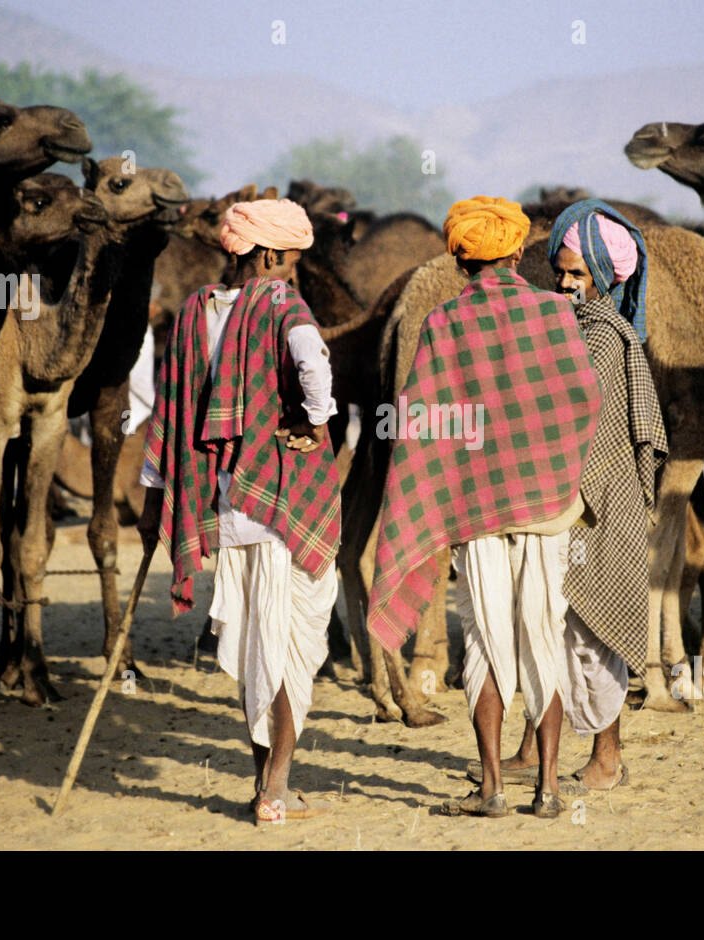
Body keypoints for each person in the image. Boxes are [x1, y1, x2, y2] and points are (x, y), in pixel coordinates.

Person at [367, 196, 602, 818]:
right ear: (518, 252)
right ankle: (549, 790)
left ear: (459, 257)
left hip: (474, 513)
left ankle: (493, 788)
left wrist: (452, 483)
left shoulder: (444, 323)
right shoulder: (556, 313)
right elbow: (583, 401)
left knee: (485, 644)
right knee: (542, 639)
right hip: (549, 507)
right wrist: (550, 465)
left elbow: (420, 422)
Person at [138, 198, 341, 826]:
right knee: (283, 651)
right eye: (293, 261)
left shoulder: (197, 311)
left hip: (219, 504)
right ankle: (275, 792)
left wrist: (154, 504)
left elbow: (167, 416)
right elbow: (314, 362)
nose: (295, 273)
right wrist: (313, 419)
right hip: (276, 504)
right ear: (272, 255)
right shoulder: (282, 305)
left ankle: (265, 780)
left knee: (254, 649)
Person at [477, 198, 667, 792]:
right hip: (567, 505)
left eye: (577, 275)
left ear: (606, 278)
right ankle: (536, 749)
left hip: (598, 510)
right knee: (549, 630)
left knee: (589, 637)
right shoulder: (569, 327)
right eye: (559, 272)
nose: (563, 283)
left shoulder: (605, 338)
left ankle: (607, 759)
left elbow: (580, 423)